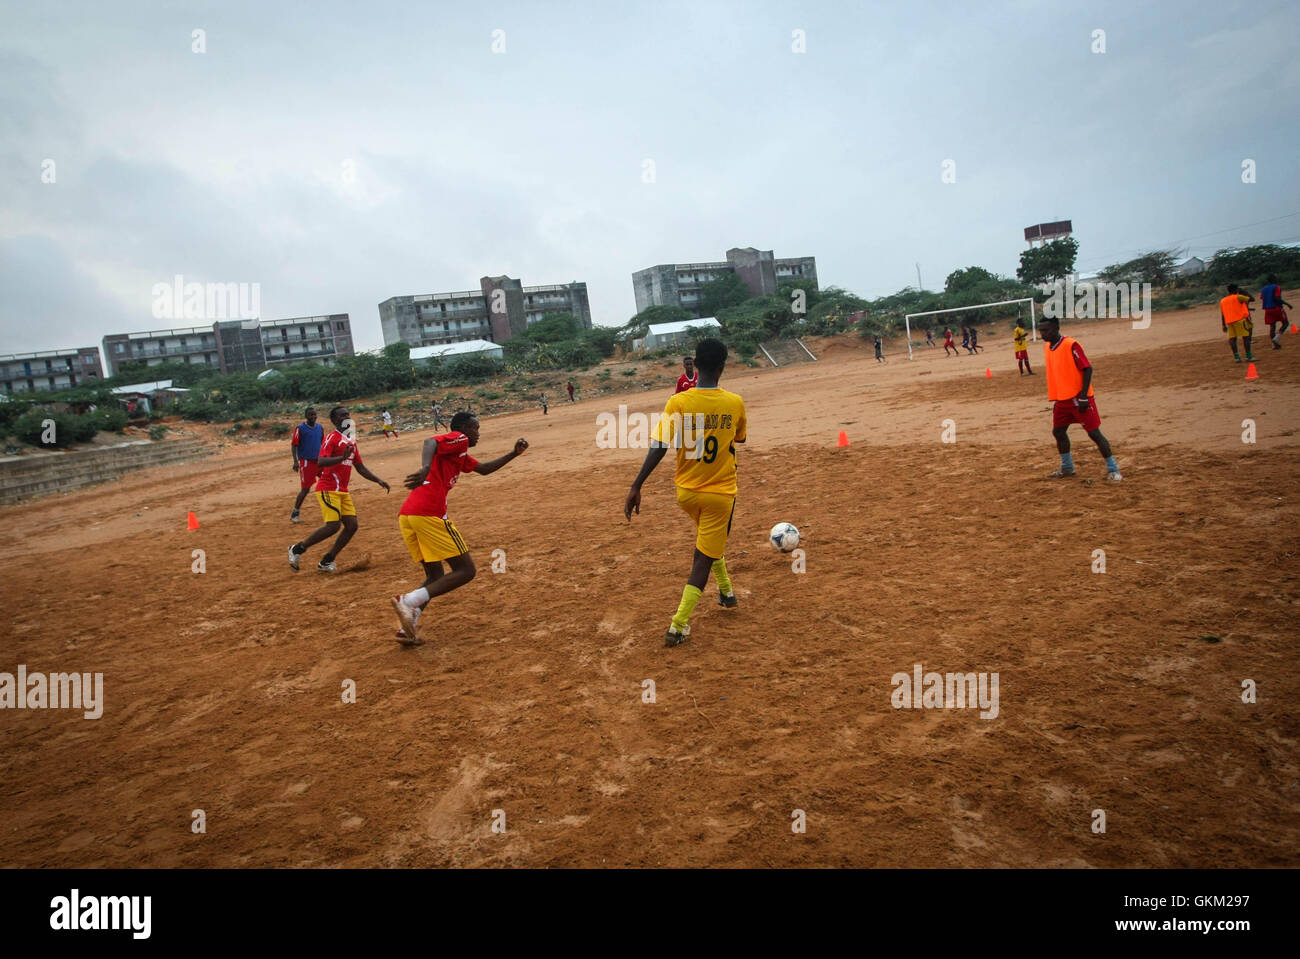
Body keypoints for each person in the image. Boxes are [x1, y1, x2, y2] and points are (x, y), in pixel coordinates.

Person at [624, 338, 746, 647]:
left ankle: (727, 592)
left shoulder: (677, 402)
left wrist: (636, 485)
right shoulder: (735, 402)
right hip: (720, 495)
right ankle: (678, 626)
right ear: (722, 367)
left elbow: (659, 446)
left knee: (707, 543)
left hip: (686, 493)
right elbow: (740, 438)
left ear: (695, 365)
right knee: (702, 557)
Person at [390, 414, 528, 646]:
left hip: (409, 515)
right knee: (466, 570)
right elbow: (429, 442)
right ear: (464, 429)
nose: (478, 433)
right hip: (429, 514)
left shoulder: (458, 454)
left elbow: (483, 469)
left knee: (435, 575)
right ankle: (409, 601)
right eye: (476, 428)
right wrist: (425, 468)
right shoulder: (460, 439)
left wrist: (514, 453)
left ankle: (408, 625)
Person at [287, 406, 390, 572]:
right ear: (334, 421)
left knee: (352, 526)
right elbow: (320, 461)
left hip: (342, 490)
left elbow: (360, 467)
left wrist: (378, 480)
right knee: (333, 526)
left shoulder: (351, 441)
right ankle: (297, 549)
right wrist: (341, 457)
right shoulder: (331, 438)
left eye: (348, 414)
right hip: (328, 488)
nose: (346, 417)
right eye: (342, 415)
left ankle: (327, 560)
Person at [1040, 316, 1121, 482]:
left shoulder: (1071, 345)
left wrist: (1084, 396)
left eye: (1045, 330)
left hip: (1079, 399)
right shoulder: (1048, 347)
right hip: (1062, 400)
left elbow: (1087, 369)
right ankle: (1067, 468)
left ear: (1056, 328)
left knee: (1094, 433)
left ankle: (1113, 469)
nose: (1042, 334)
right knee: (1058, 432)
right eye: (1040, 330)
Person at [290, 406, 325, 523]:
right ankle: (295, 513)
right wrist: (295, 461)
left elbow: (323, 443)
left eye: (315, 414)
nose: (313, 417)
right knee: (305, 489)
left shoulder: (320, 427)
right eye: (311, 415)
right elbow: (294, 445)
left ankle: (332, 508)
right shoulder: (300, 428)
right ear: (306, 416)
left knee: (328, 481)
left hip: (319, 461)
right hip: (306, 462)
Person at [1220, 284, 1256, 363]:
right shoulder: (1238, 297)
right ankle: (1248, 356)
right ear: (1236, 290)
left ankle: (1236, 357)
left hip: (1229, 321)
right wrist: (1243, 291)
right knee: (1246, 337)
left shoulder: (1223, 300)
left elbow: (1222, 314)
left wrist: (1223, 325)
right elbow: (1252, 299)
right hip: (1240, 320)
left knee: (1232, 339)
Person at [1261, 275, 1293, 350]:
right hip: (1277, 308)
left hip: (1267, 309)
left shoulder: (1264, 289)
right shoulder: (1276, 287)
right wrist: (1287, 304)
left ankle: (1274, 345)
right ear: (1274, 279)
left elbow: (1262, 298)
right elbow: (1277, 298)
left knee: (1272, 326)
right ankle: (1276, 338)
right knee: (1285, 323)